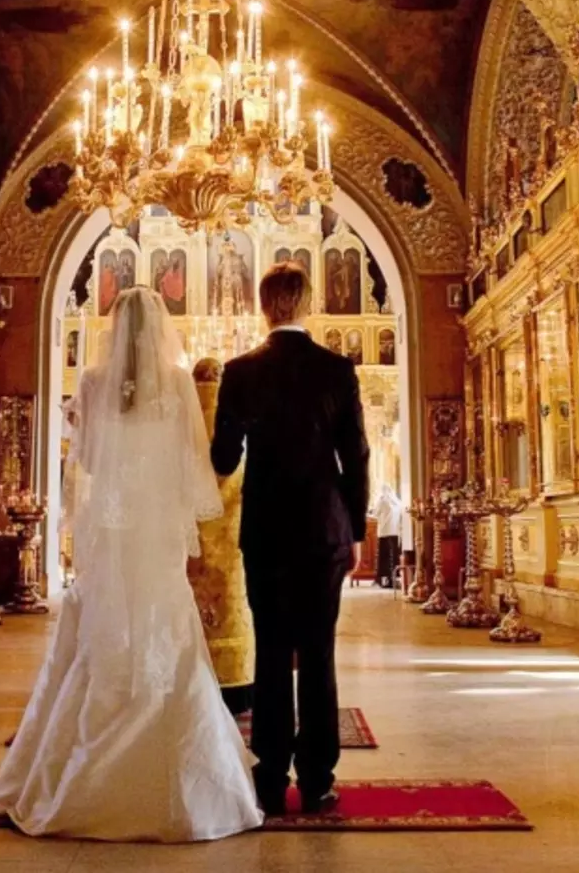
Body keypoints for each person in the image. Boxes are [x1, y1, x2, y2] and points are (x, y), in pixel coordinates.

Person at [0, 287, 263, 842]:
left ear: (114, 326)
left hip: (114, 527)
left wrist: (87, 434)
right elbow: (194, 462)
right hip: (156, 527)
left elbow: (87, 460)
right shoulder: (179, 382)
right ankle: (179, 778)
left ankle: (80, 774)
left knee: (107, 629)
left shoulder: (92, 383)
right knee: (165, 630)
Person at [211, 261, 370, 816]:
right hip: (326, 529)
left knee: (272, 652)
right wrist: (356, 526)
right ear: (307, 305)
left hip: (267, 532)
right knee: (319, 653)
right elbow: (356, 455)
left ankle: (272, 777)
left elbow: (225, 459)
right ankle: (320, 779)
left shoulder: (240, 372)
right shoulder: (336, 369)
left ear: (263, 305)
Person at [373, 484, 402, 589]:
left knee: (384, 557)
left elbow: (375, 513)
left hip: (384, 532)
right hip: (395, 533)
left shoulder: (383, 501)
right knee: (393, 556)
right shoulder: (397, 502)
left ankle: (382, 579)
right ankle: (393, 579)